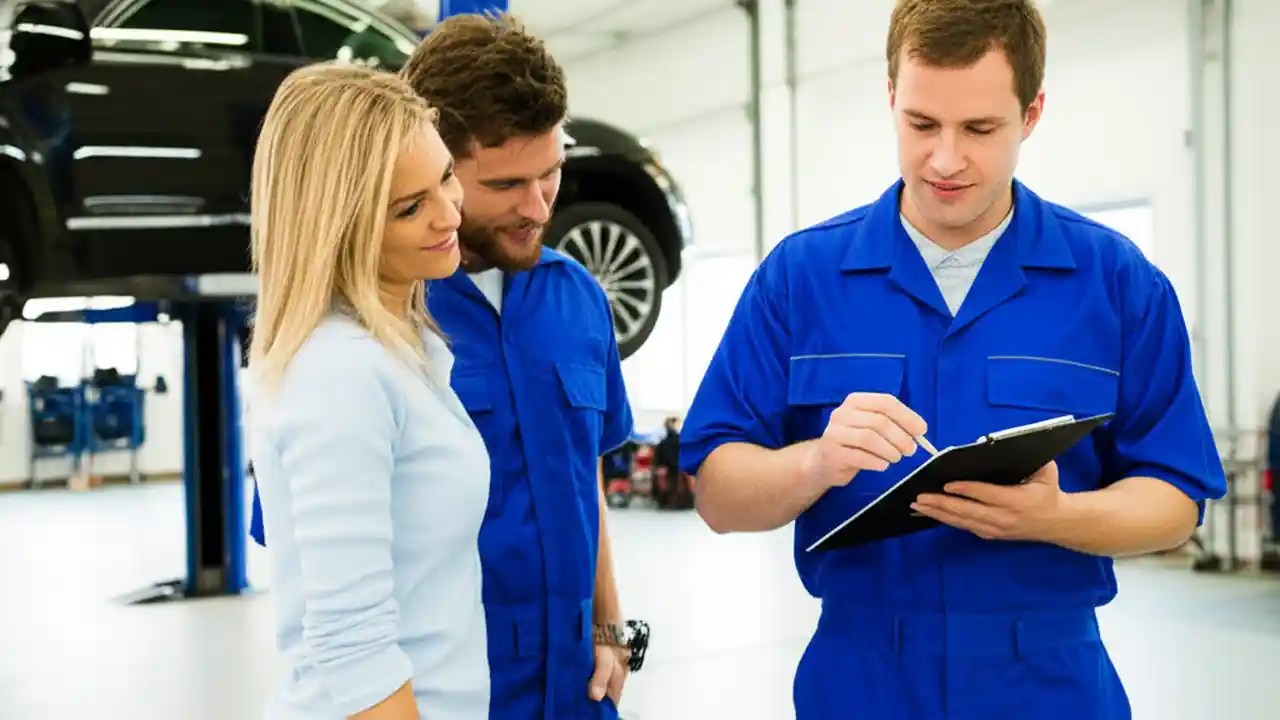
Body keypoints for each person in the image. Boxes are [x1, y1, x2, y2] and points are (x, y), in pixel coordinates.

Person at [678, 1, 1227, 719]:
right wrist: (813, 463)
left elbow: (1176, 502)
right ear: (890, 98)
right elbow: (717, 494)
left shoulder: (1117, 283)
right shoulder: (799, 279)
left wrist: (1054, 517)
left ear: (1031, 113)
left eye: (979, 129)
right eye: (921, 124)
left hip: (1048, 682)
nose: (944, 159)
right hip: (861, 677)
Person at [400, 13, 641, 719]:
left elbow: (583, 473)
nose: (537, 207)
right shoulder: (379, 320)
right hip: (449, 689)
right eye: (506, 184)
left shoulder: (579, 298)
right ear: (436, 167)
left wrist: (609, 627)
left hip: (576, 685)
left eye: (552, 173)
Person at [244, 62, 490, 719]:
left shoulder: (405, 352)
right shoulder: (339, 373)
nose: (448, 213)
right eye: (410, 208)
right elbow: (353, 644)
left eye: (444, 177)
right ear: (340, 226)